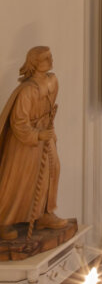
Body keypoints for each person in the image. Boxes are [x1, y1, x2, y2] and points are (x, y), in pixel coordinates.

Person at [0, 47, 70, 242]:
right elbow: (18, 123)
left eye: (50, 56)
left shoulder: (52, 81)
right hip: (24, 143)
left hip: (45, 134)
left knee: (53, 169)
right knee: (18, 180)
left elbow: (48, 110)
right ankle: (4, 221)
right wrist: (38, 135)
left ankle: (45, 213)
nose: (50, 59)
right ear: (34, 63)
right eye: (45, 58)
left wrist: (48, 131)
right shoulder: (27, 91)